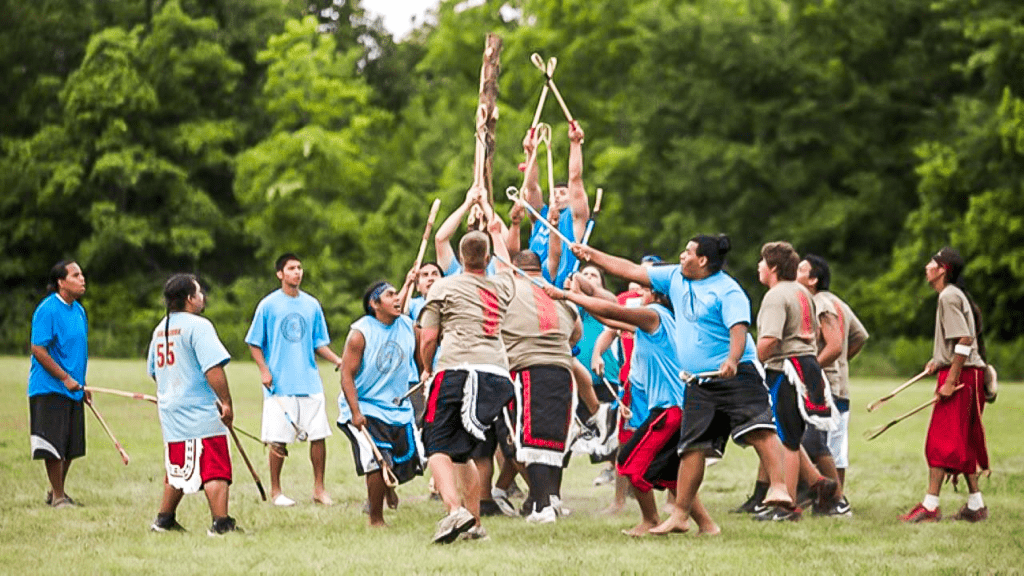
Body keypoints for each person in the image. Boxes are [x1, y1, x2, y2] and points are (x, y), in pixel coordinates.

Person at [571, 235, 792, 535]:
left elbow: (738, 328)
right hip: (698, 381)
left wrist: (732, 359)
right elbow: (628, 269)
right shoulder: (675, 276)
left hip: (736, 373)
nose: (682, 255)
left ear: (702, 260)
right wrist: (591, 254)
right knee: (692, 448)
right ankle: (681, 515)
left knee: (758, 429)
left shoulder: (727, 290)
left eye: (688, 252)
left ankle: (779, 487)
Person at [547, 274, 719, 537]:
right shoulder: (661, 319)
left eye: (646, 290)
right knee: (672, 472)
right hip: (673, 408)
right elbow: (608, 318)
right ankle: (705, 525)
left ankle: (650, 519)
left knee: (628, 461)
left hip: (669, 410)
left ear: (657, 295)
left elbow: (611, 309)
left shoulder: (655, 315)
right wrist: (581, 291)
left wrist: (566, 295)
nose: (642, 293)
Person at [417, 203, 517, 543]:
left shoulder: (442, 287)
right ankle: (474, 525)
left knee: (435, 445)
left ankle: (453, 511)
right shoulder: (503, 285)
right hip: (496, 376)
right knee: (464, 451)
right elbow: (504, 255)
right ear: (487, 258)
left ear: (460, 258)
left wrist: (428, 368)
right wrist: (490, 215)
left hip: (458, 369)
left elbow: (429, 337)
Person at [245, 253, 342, 506]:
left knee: (319, 436)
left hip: (309, 381)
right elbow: (254, 343)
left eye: (299, 268)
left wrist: (338, 361)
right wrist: (264, 371)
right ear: (280, 274)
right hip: (279, 384)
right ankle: (276, 491)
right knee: (278, 440)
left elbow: (319, 343)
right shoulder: (268, 305)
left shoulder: (311, 305)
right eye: (291, 268)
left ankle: (319, 489)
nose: (297, 272)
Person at [901, 247, 989, 523]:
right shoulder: (952, 295)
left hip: (962, 376)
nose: (927, 266)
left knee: (940, 441)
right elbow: (957, 343)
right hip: (965, 372)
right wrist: (939, 360)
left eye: (932, 262)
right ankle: (976, 505)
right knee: (960, 440)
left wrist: (951, 380)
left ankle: (930, 506)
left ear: (943, 270)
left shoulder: (948, 296)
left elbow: (964, 339)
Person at [147, 274, 240, 535]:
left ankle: (164, 520)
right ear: (189, 298)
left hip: (171, 411)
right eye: (199, 293)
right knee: (215, 467)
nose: (203, 297)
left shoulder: (160, 328)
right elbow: (213, 368)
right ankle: (221, 524)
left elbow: (154, 370)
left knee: (178, 465)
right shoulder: (199, 326)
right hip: (201, 411)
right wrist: (226, 402)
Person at [755, 241, 837, 521]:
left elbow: (770, 340)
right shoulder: (802, 291)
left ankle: (786, 506)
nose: (759, 266)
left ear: (773, 268)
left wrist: (755, 360)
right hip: (807, 365)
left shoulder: (776, 295)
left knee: (786, 439)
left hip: (786, 369)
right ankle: (818, 481)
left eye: (762, 261)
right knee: (789, 432)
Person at [500, 250, 582, 523]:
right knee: (553, 441)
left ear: (516, 268)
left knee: (531, 443)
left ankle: (542, 505)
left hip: (528, 369)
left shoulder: (510, 288)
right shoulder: (557, 293)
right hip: (562, 371)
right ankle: (551, 500)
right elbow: (576, 334)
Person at [338, 280, 424, 527]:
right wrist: (355, 411)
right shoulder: (360, 334)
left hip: (397, 407)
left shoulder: (408, 327)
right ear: (375, 304)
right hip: (365, 405)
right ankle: (376, 518)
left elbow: (420, 356)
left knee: (407, 460)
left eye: (398, 293)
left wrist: (426, 371)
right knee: (378, 461)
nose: (397, 298)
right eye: (389, 295)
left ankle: (387, 488)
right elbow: (346, 375)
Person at [796, 254, 869, 516]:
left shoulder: (819, 302)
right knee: (834, 448)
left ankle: (836, 500)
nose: (795, 272)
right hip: (839, 386)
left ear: (813, 279)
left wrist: (811, 368)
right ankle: (832, 501)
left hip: (825, 387)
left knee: (816, 443)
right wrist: (842, 362)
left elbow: (835, 344)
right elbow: (859, 336)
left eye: (801, 269)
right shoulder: (837, 301)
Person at [28, 260, 90, 509]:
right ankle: (58, 496)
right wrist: (64, 378)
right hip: (49, 388)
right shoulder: (48, 309)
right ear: (61, 283)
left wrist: (83, 385)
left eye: (82, 274)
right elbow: (38, 349)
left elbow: (77, 352)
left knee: (71, 446)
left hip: (73, 388)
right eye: (76, 275)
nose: (82, 278)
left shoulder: (79, 311)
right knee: (54, 444)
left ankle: (57, 492)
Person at [522, 122, 590, 287]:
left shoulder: (574, 218)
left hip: (561, 292)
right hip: (531, 289)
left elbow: (575, 178)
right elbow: (531, 186)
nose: (557, 196)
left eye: (562, 193)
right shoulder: (540, 216)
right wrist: (531, 154)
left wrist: (575, 144)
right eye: (554, 193)